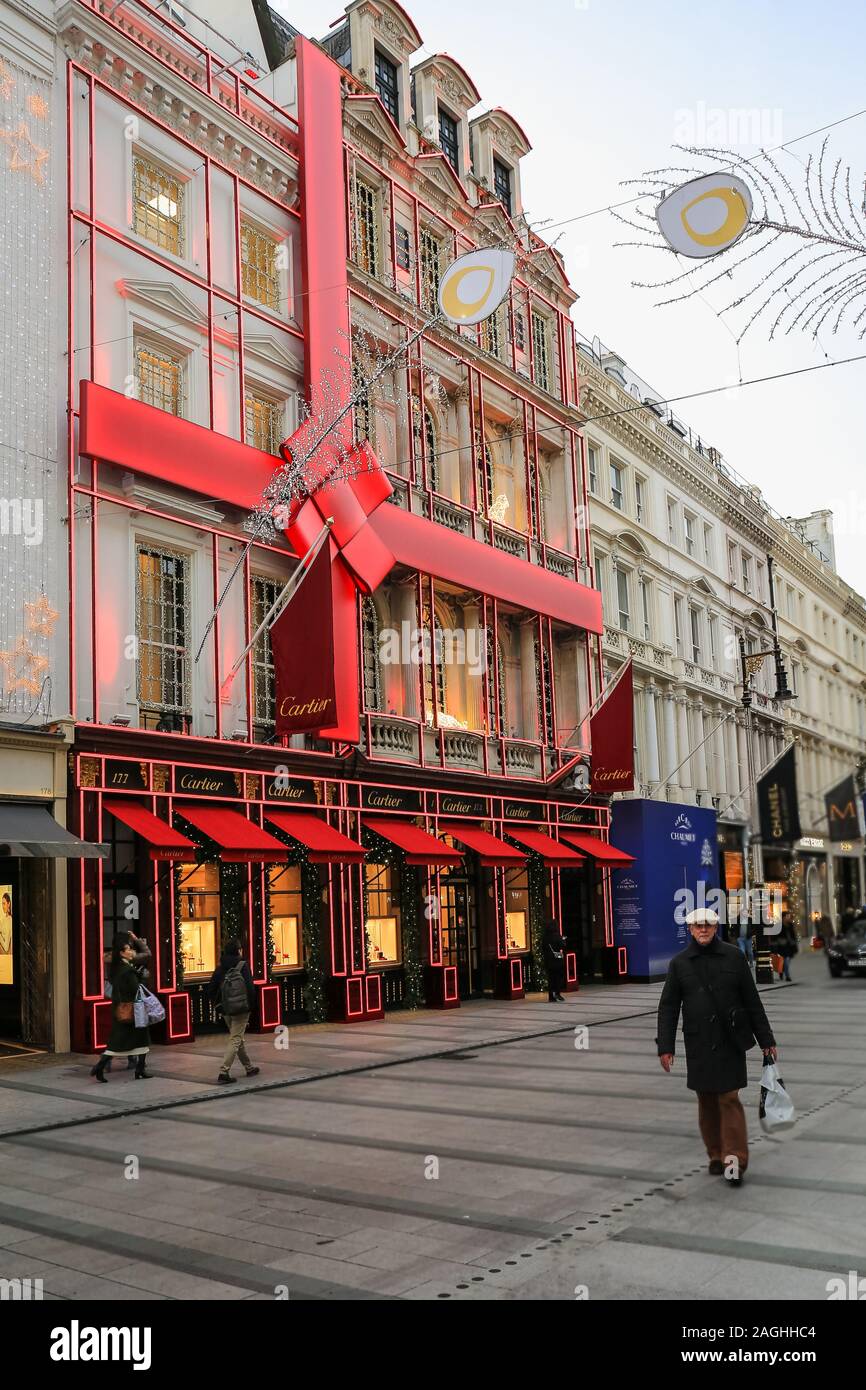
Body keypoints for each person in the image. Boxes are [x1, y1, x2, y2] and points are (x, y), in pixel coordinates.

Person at [657, 908, 777, 1187]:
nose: (703, 930)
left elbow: (752, 1001)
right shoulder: (680, 963)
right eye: (698, 925)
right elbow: (668, 1007)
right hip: (699, 1042)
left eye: (709, 925)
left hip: (730, 1041)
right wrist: (666, 1046)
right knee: (706, 1101)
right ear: (690, 928)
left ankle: (734, 1160)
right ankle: (715, 1154)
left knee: (729, 1098)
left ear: (716, 927)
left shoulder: (734, 957)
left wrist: (766, 1040)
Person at [91, 932, 151, 1081]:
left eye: (131, 948)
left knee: (136, 1040)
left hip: (121, 1007)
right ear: (121, 952)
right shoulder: (127, 971)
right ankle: (101, 1067)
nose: (131, 951)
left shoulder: (118, 966)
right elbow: (135, 988)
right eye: (128, 948)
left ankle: (139, 1068)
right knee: (122, 1041)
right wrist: (141, 978)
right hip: (132, 1009)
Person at [209, 940, 261, 1085]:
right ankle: (224, 1071)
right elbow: (250, 988)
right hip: (241, 1009)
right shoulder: (243, 966)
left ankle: (249, 1067)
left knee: (237, 1037)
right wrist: (251, 1006)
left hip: (226, 1009)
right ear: (238, 951)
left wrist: (219, 1006)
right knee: (236, 1038)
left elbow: (211, 989)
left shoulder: (220, 968)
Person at [543, 921, 567, 1003]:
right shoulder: (557, 936)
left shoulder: (545, 937)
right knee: (558, 977)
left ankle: (551, 996)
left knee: (551, 978)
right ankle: (557, 993)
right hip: (557, 960)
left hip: (548, 960)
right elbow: (562, 946)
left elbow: (543, 948)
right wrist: (563, 939)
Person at [775, 912, 798, 982]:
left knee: (787, 961)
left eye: (788, 916)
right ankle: (787, 976)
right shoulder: (779, 925)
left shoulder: (790, 925)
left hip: (789, 946)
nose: (788, 918)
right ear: (783, 917)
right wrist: (780, 940)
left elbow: (793, 934)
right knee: (785, 961)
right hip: (782, 946)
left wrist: (794, 941)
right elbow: (776, 936)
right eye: (787, 916)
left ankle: (782, 971)